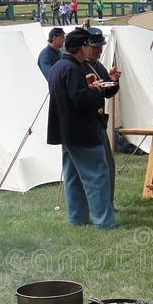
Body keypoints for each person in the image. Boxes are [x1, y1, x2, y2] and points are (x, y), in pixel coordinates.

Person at [47, 28, 116, 228]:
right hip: (81, 131)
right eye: (88, 45)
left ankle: (78, 218)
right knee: (97, 176)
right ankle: (104, 221)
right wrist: (95, 90)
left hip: (66, 131)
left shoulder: (59, 67)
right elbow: (80, 99)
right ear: (82, 47)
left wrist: (86, 87)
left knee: (73, 177)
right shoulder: (73, 69)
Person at [83, 27, 121, 204]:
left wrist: (113, 81)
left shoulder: (97, 65)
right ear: (86, 46)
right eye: (95, 47)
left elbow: (107, 92)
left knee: (107, 164)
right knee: (97, 167)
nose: (99, 51)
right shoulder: (78, 66)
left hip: (98, 122)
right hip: (85, 122)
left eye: (100, 47)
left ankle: (107, 204)